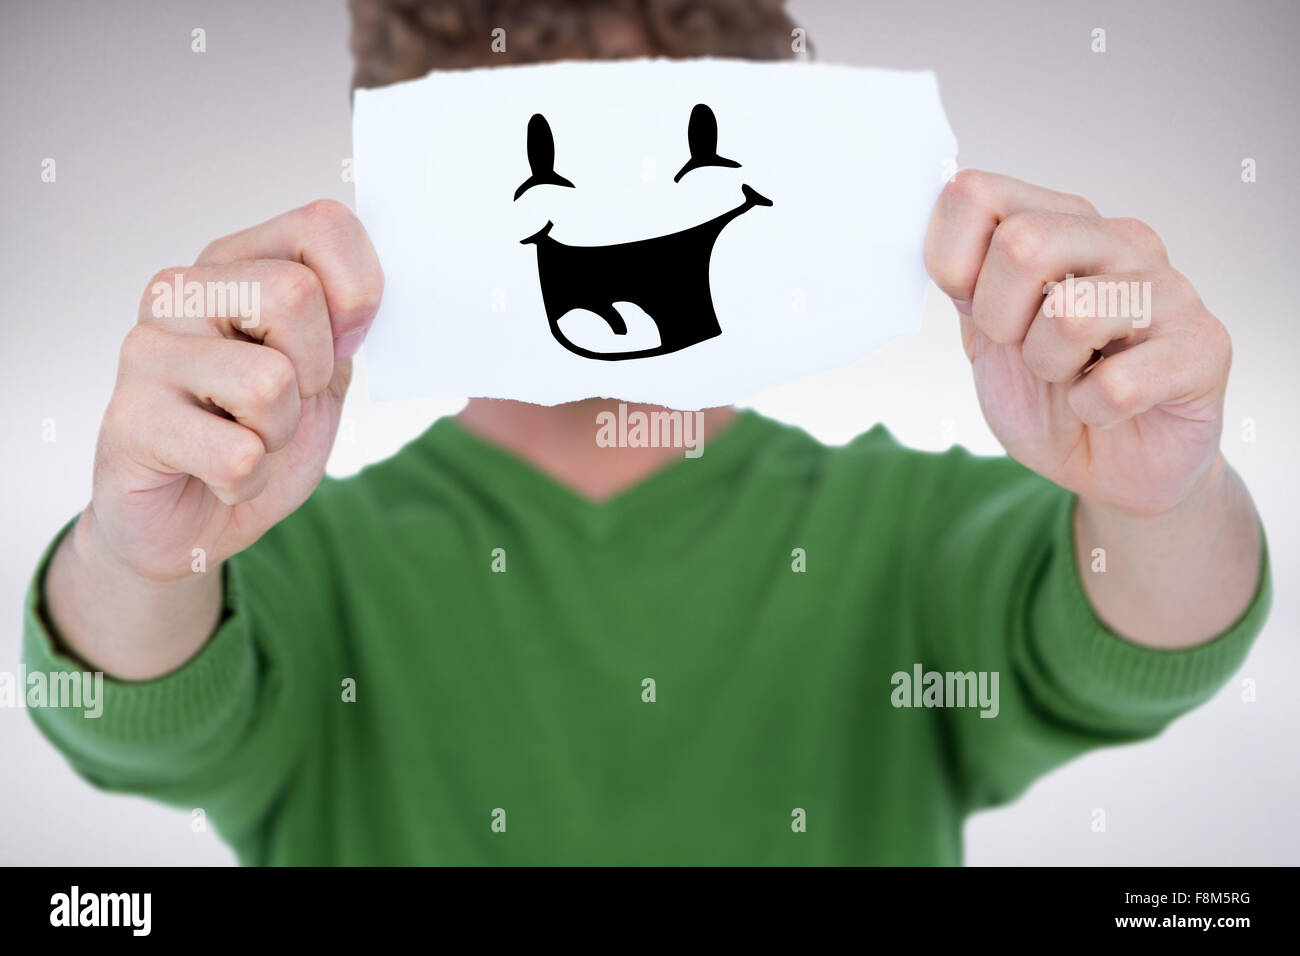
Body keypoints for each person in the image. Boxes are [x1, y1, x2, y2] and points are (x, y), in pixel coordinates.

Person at [24, 0, 1270, 865]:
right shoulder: (293, 556)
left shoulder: (906, 532)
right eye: (545, 141)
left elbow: (1129, 638)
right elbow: (124, 704)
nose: (609, 202)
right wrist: (147, 555)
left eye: (662, 128)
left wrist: (1157, 495)